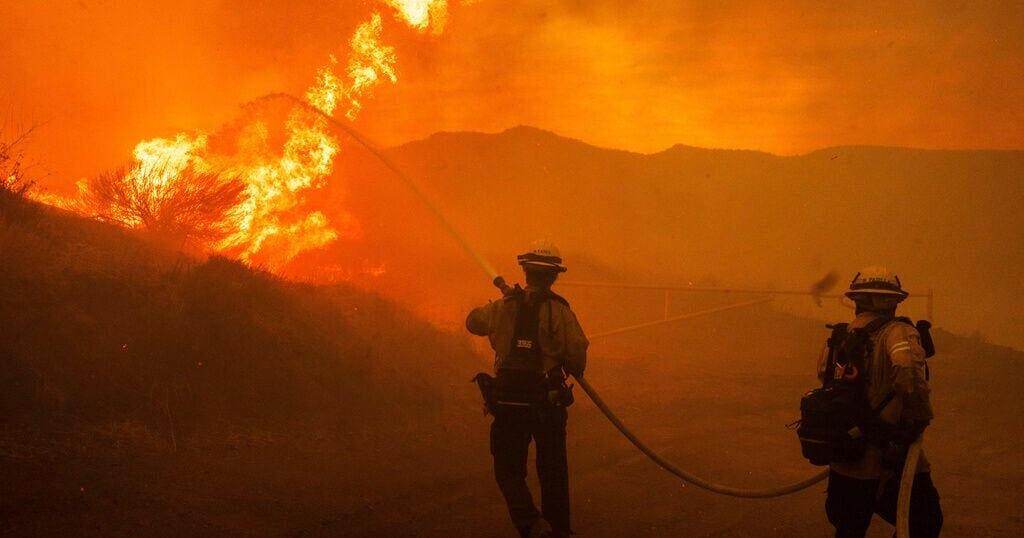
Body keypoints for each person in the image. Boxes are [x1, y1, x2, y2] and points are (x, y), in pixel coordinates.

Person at [467, 241, 589, 538]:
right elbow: (577, 353)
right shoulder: (560, 312)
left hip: (509, 403)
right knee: (553, 474)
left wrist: (506, 305)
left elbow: (473, 323)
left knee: (508, 471)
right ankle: (558, 531)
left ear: (525, 271)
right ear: (553, 276)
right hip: (548, 402)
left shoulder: (503, 307)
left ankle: (531, 524)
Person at [820, 266, 943, 538]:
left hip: (846, 455)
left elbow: (824, 377)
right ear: (894, 300)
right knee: (925, 521)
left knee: (849, 529)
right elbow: (908, 373)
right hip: (890, 456)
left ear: (856, 299)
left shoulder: (842, 335)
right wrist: (918, 419)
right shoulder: (899, 333)